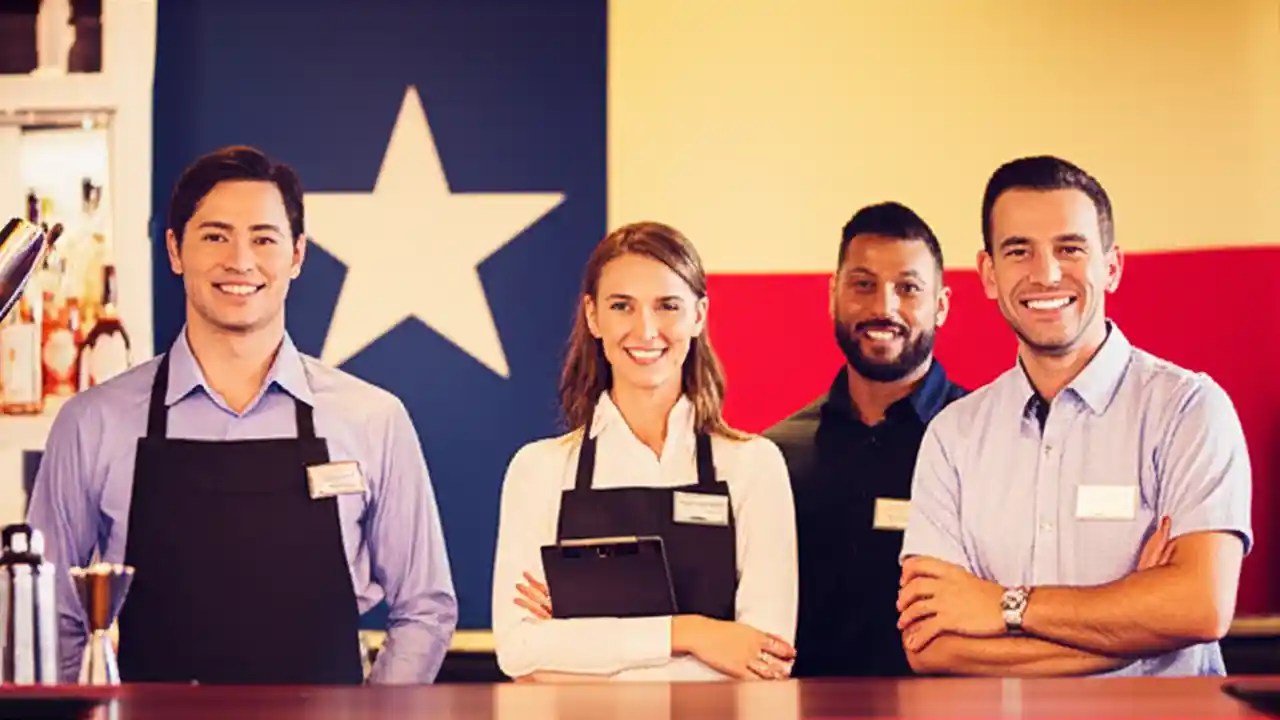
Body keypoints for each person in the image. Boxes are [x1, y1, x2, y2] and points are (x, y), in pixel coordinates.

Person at [26, 146, 457, 685]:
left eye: (264, 238)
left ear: (297, 256)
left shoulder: (373, 419)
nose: (240, 260)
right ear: (175, 250)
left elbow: (426, 607)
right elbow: (49, 614)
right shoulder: (92, 422)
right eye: (214, 236)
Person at [898, 155, 1252, 677]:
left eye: (1070, 248)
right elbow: (932, 646)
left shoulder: (1189, 410)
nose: (1046, 273)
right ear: (989, 274)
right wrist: (1134, 626)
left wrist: (1000, 604)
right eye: (1019, 251)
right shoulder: (953, 436)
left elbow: (1200, 605)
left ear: (1111, 268)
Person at [490, 221, 798, 681]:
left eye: (667, 306)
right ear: (593, 316)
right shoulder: (539, 470)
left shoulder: (754, 465)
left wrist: (577, 655)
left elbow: (764, 659)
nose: (646, 329)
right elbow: (519, 651)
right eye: (622, 307)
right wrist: (693, 633)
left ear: (698, 315)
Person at [764, 202, 966, 677]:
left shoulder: (986, 443)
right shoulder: (775, 454)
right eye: (863, 285)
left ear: (941, 304)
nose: (883, 307)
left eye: (908, 288)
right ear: (833, 294)